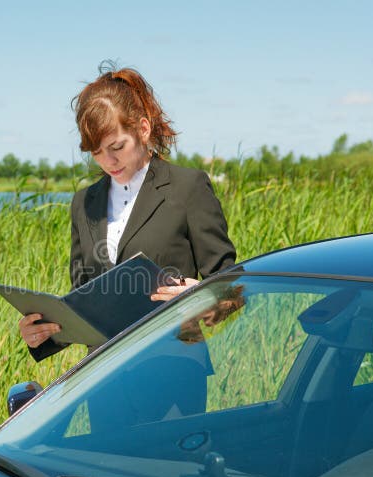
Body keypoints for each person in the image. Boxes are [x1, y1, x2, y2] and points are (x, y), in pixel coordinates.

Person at [20, 63, 236, 362]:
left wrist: (200, 298)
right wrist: (43, 335)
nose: (108, 161)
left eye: (117, 146)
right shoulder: (84, 203)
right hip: (101, 372)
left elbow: (232, 290)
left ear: (143, 130)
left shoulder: (188, 188)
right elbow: (82, 302)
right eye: (96, 152)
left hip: (174, 367)